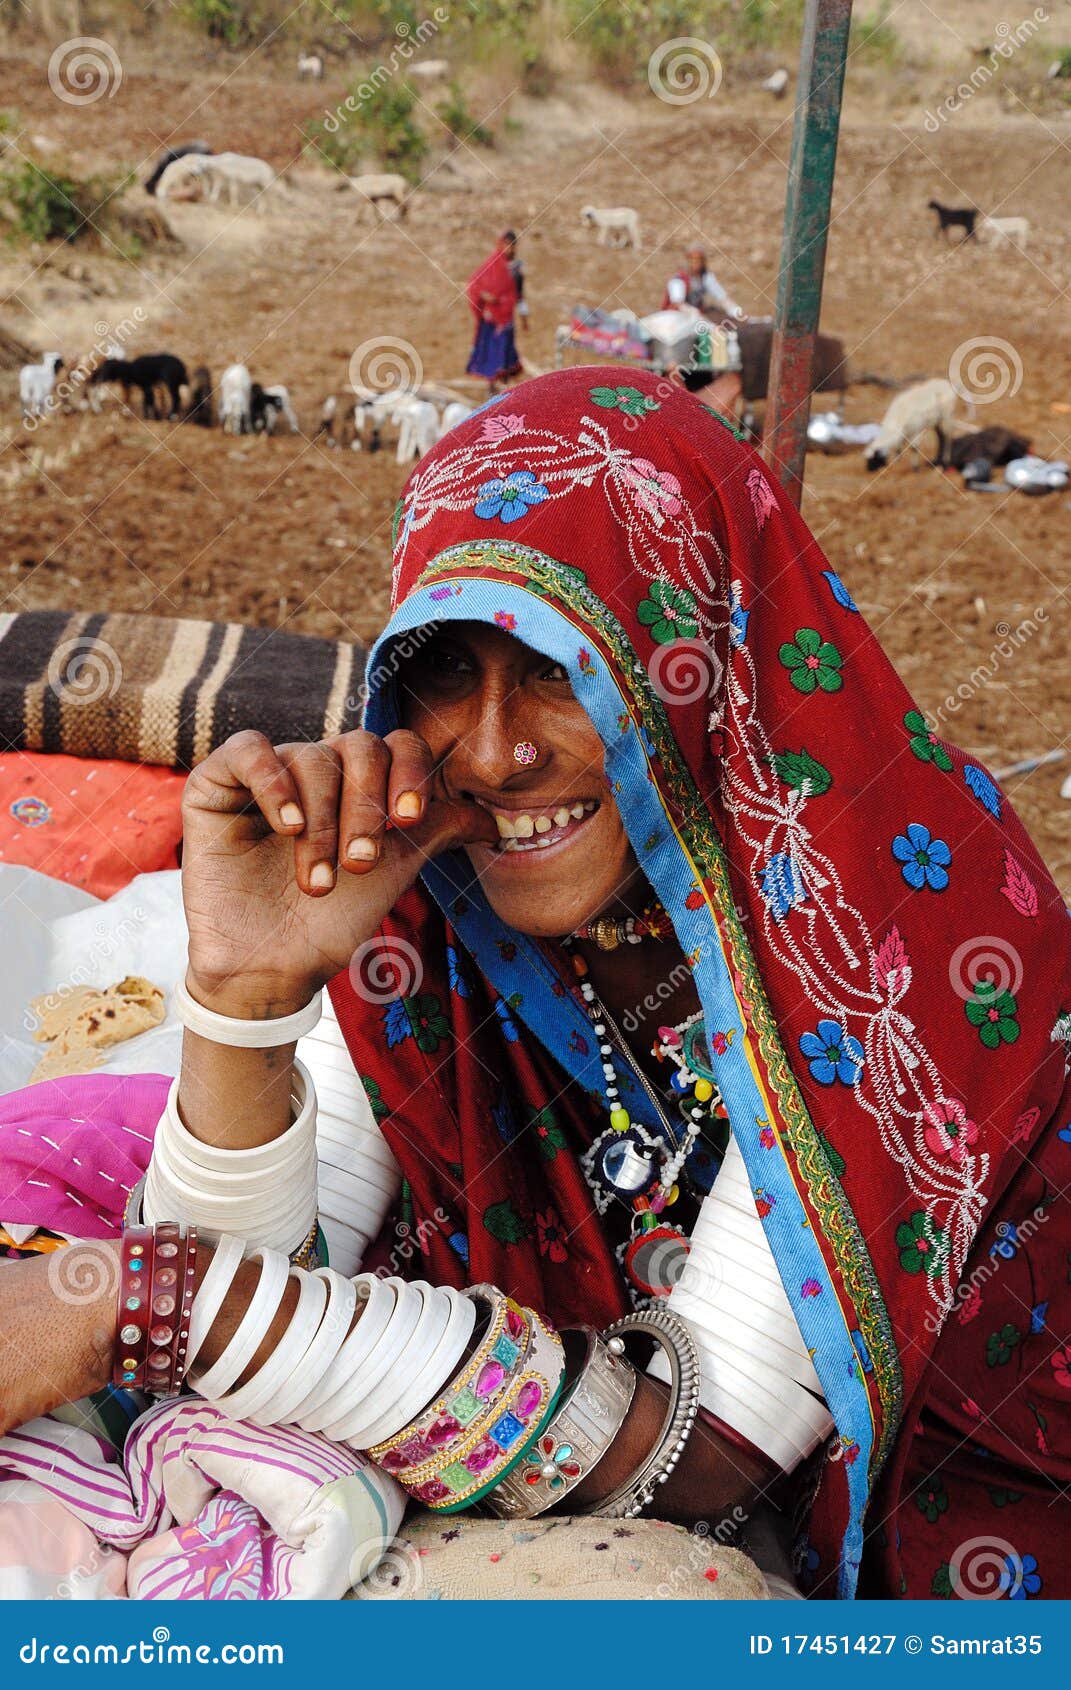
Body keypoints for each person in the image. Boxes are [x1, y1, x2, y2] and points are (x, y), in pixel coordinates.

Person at [3, 367, 1070, 1602]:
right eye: (449, 673)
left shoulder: (893, 896)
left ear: (700, 658)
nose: (499, 753)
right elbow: (243, 1306)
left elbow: (701, 1451)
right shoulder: (438, 910)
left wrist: (140, 1302)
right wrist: (245, 993)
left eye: (563, 670)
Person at [465, 229, 524, 396]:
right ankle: (491, 387)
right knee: (491, 351)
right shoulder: (491, 264)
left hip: (506, 317)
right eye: (506, 245)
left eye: (512, 246)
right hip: (491, 318)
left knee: (505, 350)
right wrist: (484, 296)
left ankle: (505, 387)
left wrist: (524, 316)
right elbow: (475, 284)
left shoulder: (515, 268)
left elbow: (519, 294)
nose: (509, 249)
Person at [663, 245, 746, 323]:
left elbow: (722, 298)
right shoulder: (678, 280)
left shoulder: (705, 277)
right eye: (692, 259)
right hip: (678, 316)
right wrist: (693, 312)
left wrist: (735, 310)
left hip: (697, 315)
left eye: (699, 260)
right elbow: (678, 303)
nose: (696, 263)